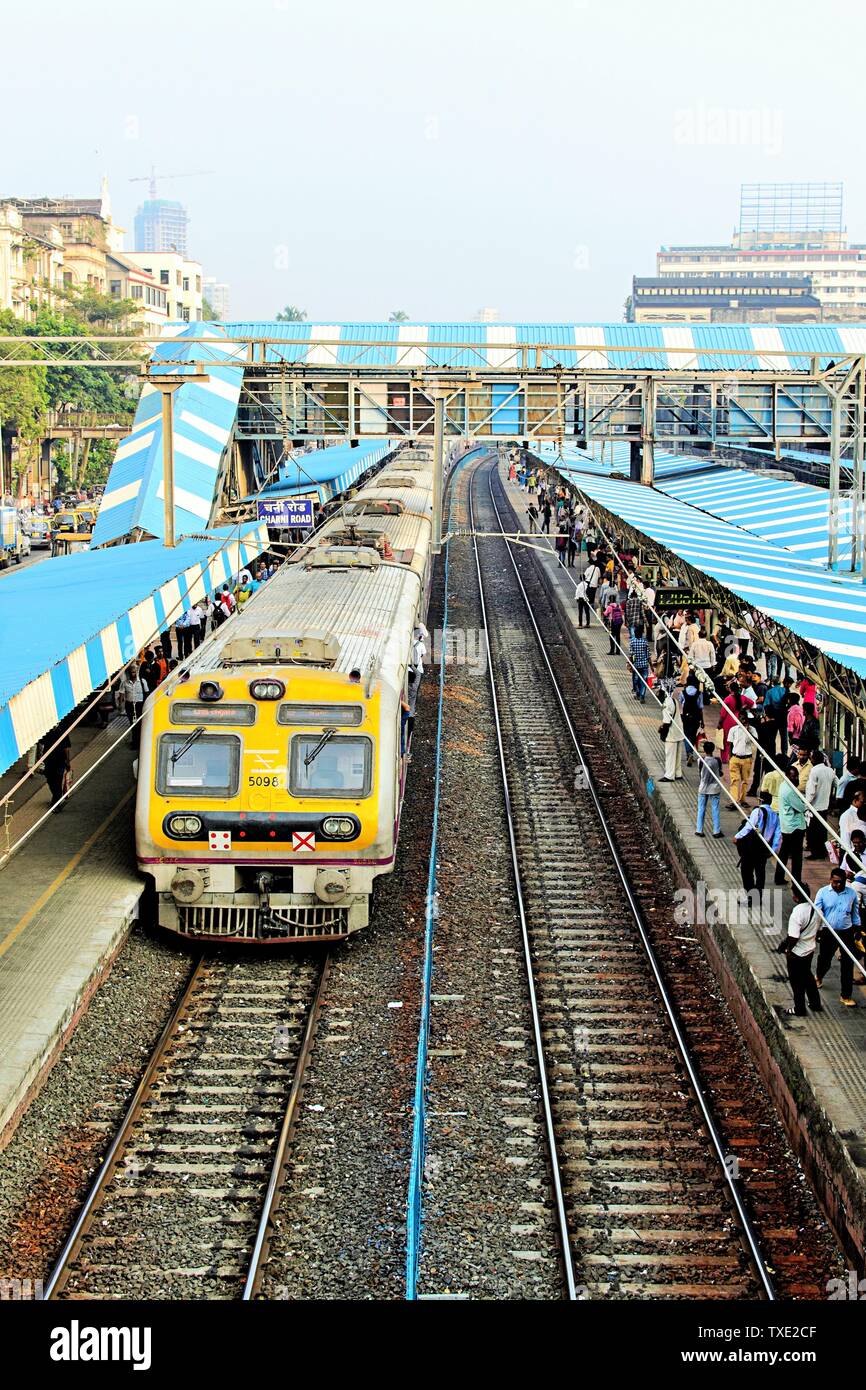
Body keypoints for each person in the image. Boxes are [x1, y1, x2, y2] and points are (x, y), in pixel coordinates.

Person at [815, 867, 862, 1006]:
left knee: (848, 963)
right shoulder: (823, 892)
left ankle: (845, 995)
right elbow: (818, 913)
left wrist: (857, 929)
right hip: (828, 932)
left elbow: (855, 913)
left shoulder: (851, 894)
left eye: (841, 882)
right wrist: (817, 930)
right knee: (825, 958)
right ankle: (819, 976)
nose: (838, 885)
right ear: (830, 880)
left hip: (846, 932)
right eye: (835, 882)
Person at [776, 887, 823, 1017]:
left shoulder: (797, 913)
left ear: (796, 897)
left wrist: (788, 950)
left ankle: (799, 1009)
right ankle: (815, 1003)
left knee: (796, 982)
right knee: (808, 976)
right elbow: (820, 930)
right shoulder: (817, 909)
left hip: (797, 953)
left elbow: (793, 937)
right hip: (810, 950)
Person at [734, 790, 782, 894]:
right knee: (760, 872)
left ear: (760, 800)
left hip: (753, 845)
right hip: (764, 846)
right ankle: (758, 895)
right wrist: (773, 850)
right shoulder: (775, 815)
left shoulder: (758, 811)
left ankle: (751, 894)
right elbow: (778, 835)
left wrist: (737, 836)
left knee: (747, 870)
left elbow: (749, 827)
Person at [774, 774, 808, 888]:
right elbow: (801, 808)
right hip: (795, 827)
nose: (795, 779)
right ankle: (796, 882)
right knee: (797, 856)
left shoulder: (784, 785)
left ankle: (779, 877)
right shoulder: (790, 791)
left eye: (796, 776)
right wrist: (805, 804)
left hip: (787, 825)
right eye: (793, 776)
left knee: (784, 852)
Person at [805, 753, 836, 860]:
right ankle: (822, 851)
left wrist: (806, 804)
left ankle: (815, 852)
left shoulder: (814, 771)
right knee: (822, 831)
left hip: (814, 806)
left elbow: (811, 790)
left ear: (813, 759)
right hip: (825, 805)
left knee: (813, 831)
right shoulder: (829, 770)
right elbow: (837, 782)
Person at [727, 710, 756, 808]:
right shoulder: (733, 729)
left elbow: (755, 741)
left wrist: (747, 731)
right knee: (734, 780)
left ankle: (742, 800)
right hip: (735, 757)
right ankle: (734, 801)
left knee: (745, 780)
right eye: (741, 718)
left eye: (744, 718)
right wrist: (730, 757)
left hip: (746, 758)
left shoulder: (752, 729)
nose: (742, 720)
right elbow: (730, 744)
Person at [695, 740, 723, 837]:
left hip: (703, 787)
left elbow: (700, 774)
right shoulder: (718, 761)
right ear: (713, 749)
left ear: (704, 750)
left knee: (701, 808)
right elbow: (720, 773)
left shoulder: (700, 761)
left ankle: (699, 830)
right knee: (715, 809)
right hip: (715, 788)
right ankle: (716, 831)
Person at [659, 684, 686, 782]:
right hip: (679, 731)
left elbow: (666, 722)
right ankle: (678, 773)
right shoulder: (674, 700)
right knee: (678, 755)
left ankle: (669, 775)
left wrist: (662, 732)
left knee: (670, 755)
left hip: (671, 734)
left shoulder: (666, 703)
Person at [42, 727, 72, 809]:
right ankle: (56, 798)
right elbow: (41, 742)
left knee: (57, 781)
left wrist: (67, 762)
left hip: (60, 760)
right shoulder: (46, 731)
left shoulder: (63, 731)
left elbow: (66, 748)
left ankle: (56, 802)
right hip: (49, 761)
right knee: (50, 780)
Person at [121, 666, 148, 747]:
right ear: (129, 673)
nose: (134, 674)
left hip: (140, 705)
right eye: (132, 672)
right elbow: (122, 694)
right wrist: (120, 706)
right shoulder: (124, 683)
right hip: (129, 705)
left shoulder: (143, 681)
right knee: (133, 724)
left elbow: (147, 693)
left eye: (135, 672)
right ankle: (135, 742)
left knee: (140, 724)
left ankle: (140, 742)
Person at [680, 677, 704, 766]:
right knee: (693, 735)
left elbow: (681, 702)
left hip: (686, 717)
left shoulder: (683, 692)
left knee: (686, 735)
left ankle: (688, 753)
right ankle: (691, 752)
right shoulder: (699, 693)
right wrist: (702, 721)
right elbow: (700, 707)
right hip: (696, 717)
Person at [401, 668, 420, 753]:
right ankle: (407, 752)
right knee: (408, 736)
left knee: (400, 734)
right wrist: (411, 665)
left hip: (402, 715)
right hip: (411, 716)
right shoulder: (414, 688)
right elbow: (418, 674)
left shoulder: (402, 688)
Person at [629, 625, 650, 702]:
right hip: (644, 664)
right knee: (644, 680)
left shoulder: (632, 641)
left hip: (636, 664)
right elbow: (648, 654)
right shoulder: (645, 641)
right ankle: (642, 696)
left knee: (636, 679)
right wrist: (651, 665)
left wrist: (630, 664)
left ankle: (637, 693)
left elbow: (631, 654)